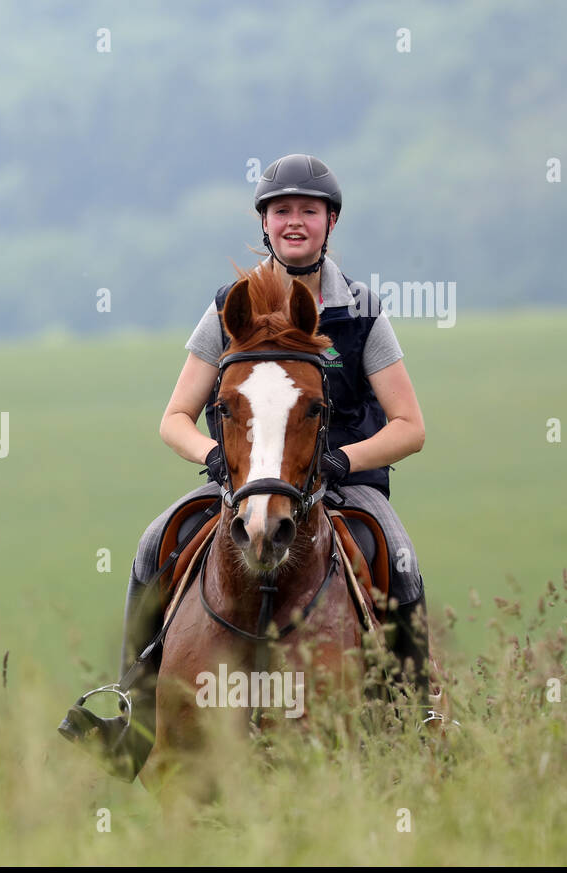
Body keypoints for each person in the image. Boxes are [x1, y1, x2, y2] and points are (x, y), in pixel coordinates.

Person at [60, 154, 431, 778]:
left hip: (343, 487)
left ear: (329, 222)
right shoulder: (226, 309)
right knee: (156, 542)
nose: (294, 222)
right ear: (265, 223)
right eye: (281, 211)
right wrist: (212, 457)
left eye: (307, 212)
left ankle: (419, 711)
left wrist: (343, 459)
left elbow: (410, 427)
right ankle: (133, 707)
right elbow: (175, 416)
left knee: (397, 555)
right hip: (246, 484)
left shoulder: (363, 311)